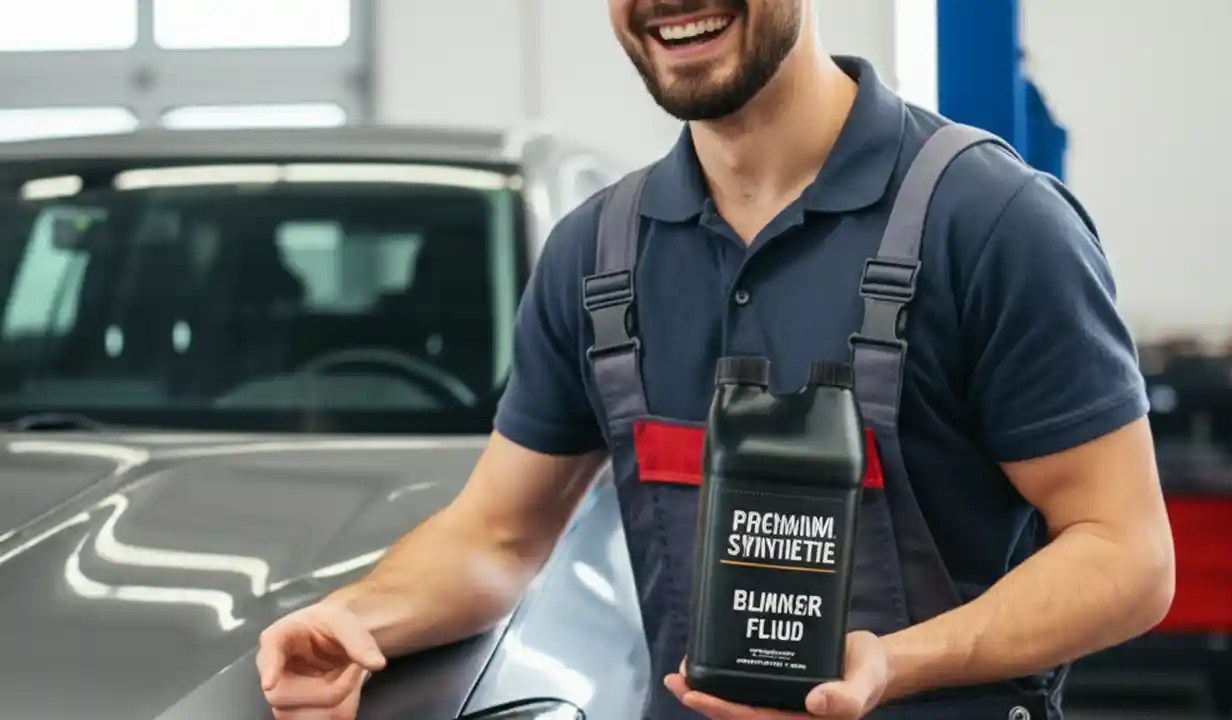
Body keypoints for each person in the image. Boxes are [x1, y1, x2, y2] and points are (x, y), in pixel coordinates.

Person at [256, 1, 1177, 718]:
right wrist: (354, 620)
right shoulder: (596, 255)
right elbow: (497, 535)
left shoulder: (992, 222)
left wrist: (897, 662)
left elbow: (1128, 557)